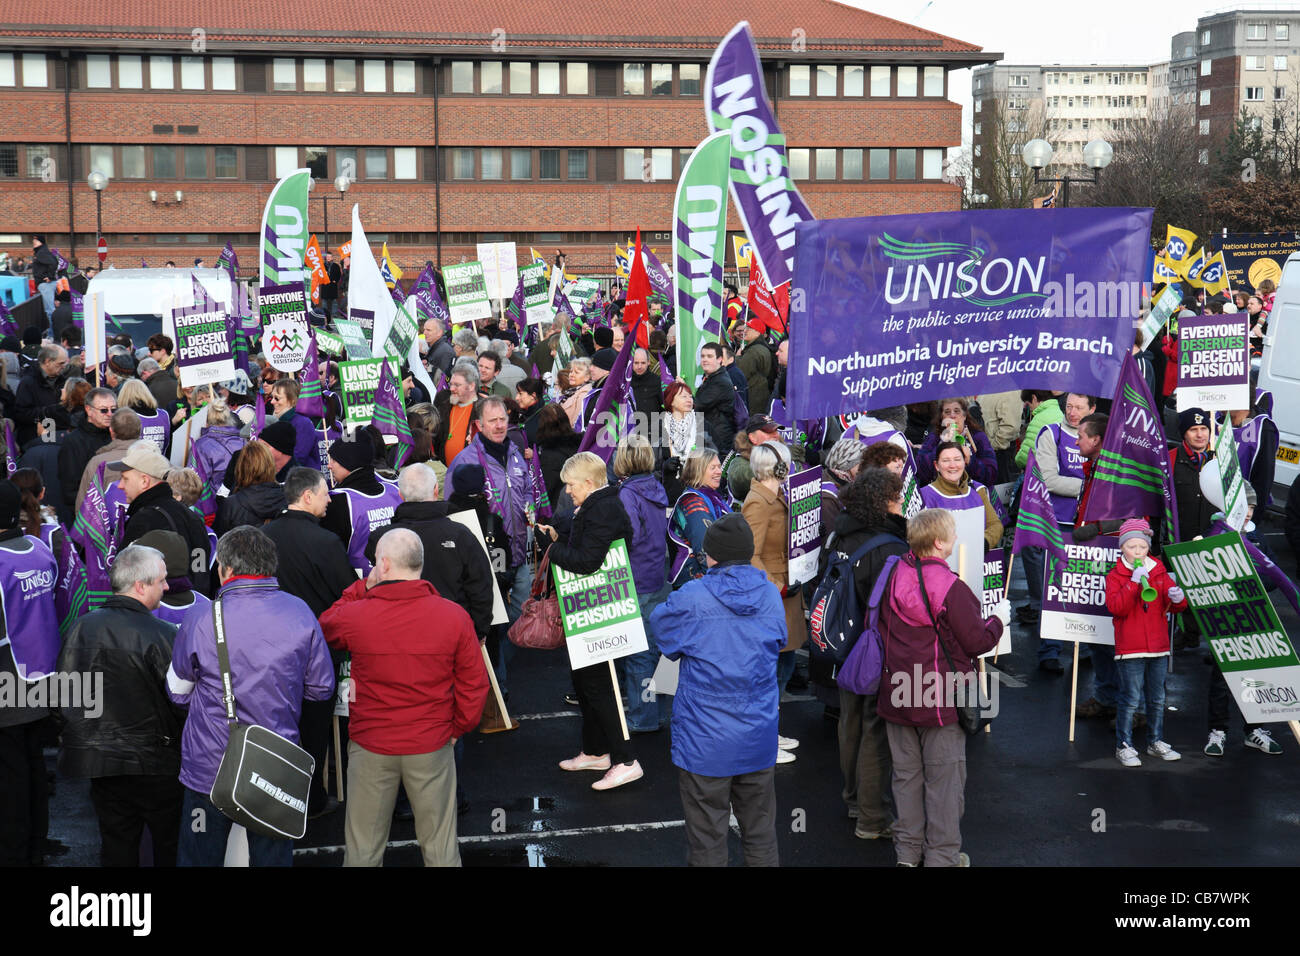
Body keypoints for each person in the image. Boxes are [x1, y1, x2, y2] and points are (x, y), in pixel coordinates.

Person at [320, 528, 488, 866]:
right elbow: (474, 684)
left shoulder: (357, 616)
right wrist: (456, 729)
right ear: (419, 565)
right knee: (441, 849)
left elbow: (327, 623)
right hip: (431, 743)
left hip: (371, 746)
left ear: (382, 565)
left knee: (363, 851)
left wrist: (361, 588)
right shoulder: (454, 616)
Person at [168, 527, 334, 866]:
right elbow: (321, 688)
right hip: (274, 766)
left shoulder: (201, 617)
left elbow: (176, 691)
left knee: (200, 856)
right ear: (270, 566)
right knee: (272, 857)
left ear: (226, 569)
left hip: (209, 767)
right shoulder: (300, 612)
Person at [652, 513, 786, 866]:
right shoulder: (770, 594)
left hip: (704, 739)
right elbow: (780, 640)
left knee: (707, 840)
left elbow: (663, 633)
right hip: (757, 734)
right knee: (760, 833)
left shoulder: (693, 597)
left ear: (710, 555)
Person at [878, 508, 1009, 867]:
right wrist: (1000, 621)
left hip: (897, 692)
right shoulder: (951, 587)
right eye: (952, 534)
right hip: (939, 699)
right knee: (945, 785)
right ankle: (942, 857)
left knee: (905, 779)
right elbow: (976, 641)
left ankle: (907, 854)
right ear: (939, 542)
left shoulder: (894, 572)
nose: (956, 539)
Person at [56, 544, 185, 866]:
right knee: (168, 846)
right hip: (156, 764)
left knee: (117, 844)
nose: (167, 587)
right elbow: (181, 702)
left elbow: (63, 698)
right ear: (141, 586)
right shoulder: (163, 635)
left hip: (101, 764)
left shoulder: (81, 627)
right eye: (162, 581)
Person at [535, 452, 643, 791]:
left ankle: (626, 760)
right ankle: (596, 751)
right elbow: (578, 532)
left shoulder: (604, 508)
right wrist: (558, 532)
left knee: (600, 686)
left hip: (603, 610)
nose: (567, 491)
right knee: (585, 682)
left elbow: (587, 562)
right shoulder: (598, 505)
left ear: (588, 483)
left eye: (570, 485)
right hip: (592, 609)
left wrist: (551, 549)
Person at [822, 468, 910, 836]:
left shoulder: (840, 534)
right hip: (875, 648)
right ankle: (873, 819)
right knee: (875, 731)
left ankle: (854, 800)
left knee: (851, 725)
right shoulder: (890, 546)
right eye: (897, 496)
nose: (903, 501)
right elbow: (896, 605)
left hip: (842, 641)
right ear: (883, 502)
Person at [0, 480, 62, 866]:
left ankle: (14, 852)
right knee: (33, 764)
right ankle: (37, 842)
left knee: (10, 778)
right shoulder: (39, 548)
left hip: (8, 680)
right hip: (41, 673)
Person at [366, 464, 495, 641]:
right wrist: (478, 631)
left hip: (400, 634)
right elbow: (481, 586)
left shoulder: (383, 538)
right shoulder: (460, 534)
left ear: (401, 495)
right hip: (453, 633)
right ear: (436, 490)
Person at [444, 397, 533, 628]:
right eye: (492, 420)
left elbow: (528, 490)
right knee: (495, 623)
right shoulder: (465, 461)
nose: (499, 425)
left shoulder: (516, 453)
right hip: (488, 557)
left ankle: (511, 657)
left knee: (522, 616)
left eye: (502, 419)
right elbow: (452, 509)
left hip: (520, 551)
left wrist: (529, 507)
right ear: (479, 425)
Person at [740, 442, 804, 761]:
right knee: (771, 670)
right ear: (777, 468)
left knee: (784, 664)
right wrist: (776, 587)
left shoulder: (776, 495)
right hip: (774, 595)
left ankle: (771, 732)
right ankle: (762, 739)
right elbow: (749, 555)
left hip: (785, 588)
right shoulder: (759, 502)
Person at [1105, 519, 1187, 767]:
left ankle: (1155, 741)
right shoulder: (1115, 575)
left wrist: (1179, 596)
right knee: (1130, 698)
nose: (1138, 552)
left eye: (1142, 547)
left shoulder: (1159, 569)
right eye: (1132, 547)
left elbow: (1177, 606)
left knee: (1157, 698)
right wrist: (1133, 582)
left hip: (1159, 645)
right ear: (1122, 548)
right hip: (1130, 648)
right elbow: (1116, 608)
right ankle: (1124, 745)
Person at [1025, 392, 1094, 672]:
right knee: (1055, 590)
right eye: (1069, 406)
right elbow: (1049, 478)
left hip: (1090, 526)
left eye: (1079, 407)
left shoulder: (1100, 435)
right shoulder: (1050, 433)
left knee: (1087, 589)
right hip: (1059, 523)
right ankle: (1049, 651)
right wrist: (1090, 487)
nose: (1073, 412)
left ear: (1092, 408)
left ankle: (1087, 647)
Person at [613, 434, 672, 734]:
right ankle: (659, 713)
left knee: (639, 654)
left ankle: (643, 718)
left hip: (636, 579)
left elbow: (629, 536)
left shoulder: (627, 493)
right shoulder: (656, 487)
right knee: (660, 650)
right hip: (658, 576)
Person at [115, 440, 211, 594]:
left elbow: (123, 576)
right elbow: (200, 570)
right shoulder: (191, 516)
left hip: (157, 610)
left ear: (144, 481)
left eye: (125, 479)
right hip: (193, 606)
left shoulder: (145, 518)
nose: (120, 485)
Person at [322, 436, 403, 576]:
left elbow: (329, 556)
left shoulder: (337, 500)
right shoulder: (394, 491)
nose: (329, 465)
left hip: (359, 588)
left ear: (348, 462)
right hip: (400, 578)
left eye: (334, 460)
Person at [920, 442, 1003, 550]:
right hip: (941, 562)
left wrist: (983, 542)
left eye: (957, 459)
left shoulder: (977, 490)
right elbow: (921, 537)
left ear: (965, 462)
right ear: (937, 466)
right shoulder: (925, 494)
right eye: (946, 460)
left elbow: (995, 525)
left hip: (977, 558)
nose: (952, 465)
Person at [668, 448, 731, 586]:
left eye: (719, 467)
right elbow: (706, 550)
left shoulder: (711, 495)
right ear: (698, 471)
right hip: (698, 583)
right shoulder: (692, 502)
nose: (719, 471)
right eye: (713, 467)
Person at [73, 406, 140, 517]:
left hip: (105, 530)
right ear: (139, 429)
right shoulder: (154, 459)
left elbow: (83, 506)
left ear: (111, 430)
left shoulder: (97, 462)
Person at [916, 398, 997, 488]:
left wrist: (970, 462)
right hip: (943, 495)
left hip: (973, 496)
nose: (952, 416)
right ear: (942, 417)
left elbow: (991, 475)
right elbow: (921, 470)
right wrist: (941, 446)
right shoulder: (934, 437)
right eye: (947, 412)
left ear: (964, 415)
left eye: (957, 411)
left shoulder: (978, 437)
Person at [215, 441, 287, 535]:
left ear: (241, 466)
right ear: (270, 465)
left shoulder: (230, 505)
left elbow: (218, 542)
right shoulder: (288, 500)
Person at [190, 398, 244, 519]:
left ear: (206, 420)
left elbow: (196, 482)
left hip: (214, 510)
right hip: (241, 505)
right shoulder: (244, 441)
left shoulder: (201, 446)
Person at [14, 344, 70, 448]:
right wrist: (46, 412)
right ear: (48, 362)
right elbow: (21, 413)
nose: (63, 367)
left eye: (65, 363)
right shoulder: (28, 382)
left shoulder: (64, 381)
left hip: (59, 440)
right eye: (60, 363)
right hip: (35, 441)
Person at [722, 414, 781, 506]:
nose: (776, 435)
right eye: (768, 431)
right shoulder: (740, 464)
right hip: (746, 518)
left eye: (776, 430)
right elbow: (765, 487)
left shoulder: (780, 455)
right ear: (753, 438)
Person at [695, 343, 738, 456]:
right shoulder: (711, 378)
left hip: (718, 439)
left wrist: (683, 391)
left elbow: (697, 404)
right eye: (703, 356)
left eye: (709, 356)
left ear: (719, 359)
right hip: (711, 435)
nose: (704, 360)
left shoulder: (720, 382)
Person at [433, 363, 479, 466]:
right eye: (451, 384)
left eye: (457, 385)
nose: (451, 389)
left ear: (471, 386)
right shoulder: (444, 406)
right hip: (445, 474)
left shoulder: (483, 410)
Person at [820, 438, 867, 535]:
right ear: (846, 465)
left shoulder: (849, 483)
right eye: (861, 463)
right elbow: (831, 539)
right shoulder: (827, 496)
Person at [269, 379, 319, 468]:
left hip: (303, 478)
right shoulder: (275, 421)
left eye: (277, 398)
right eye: (272, 397)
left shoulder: (303, 423)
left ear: (292, 400)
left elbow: (299, 457)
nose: (272, 401)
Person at [118, 378, 171, 456]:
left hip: (135, 465)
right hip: (161, 463)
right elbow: (167, 442)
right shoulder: (163, 415)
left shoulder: (127, 418)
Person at [736, 320, 774, 415]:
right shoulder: (761, 348)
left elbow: (741, 373)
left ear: (757, 332)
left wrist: (737, 358)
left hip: (753, 397)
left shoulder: (754, 351)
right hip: (760, 396)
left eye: (748, 329)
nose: (744, 331)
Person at [629, 348, 663, 422]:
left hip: (653, 429)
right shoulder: (626, 382)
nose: (639, 366)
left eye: (643, 363)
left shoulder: (657, 381)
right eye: (636, 363)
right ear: (631, 363)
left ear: (648, 362)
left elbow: (664, 407)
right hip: (631, 429)